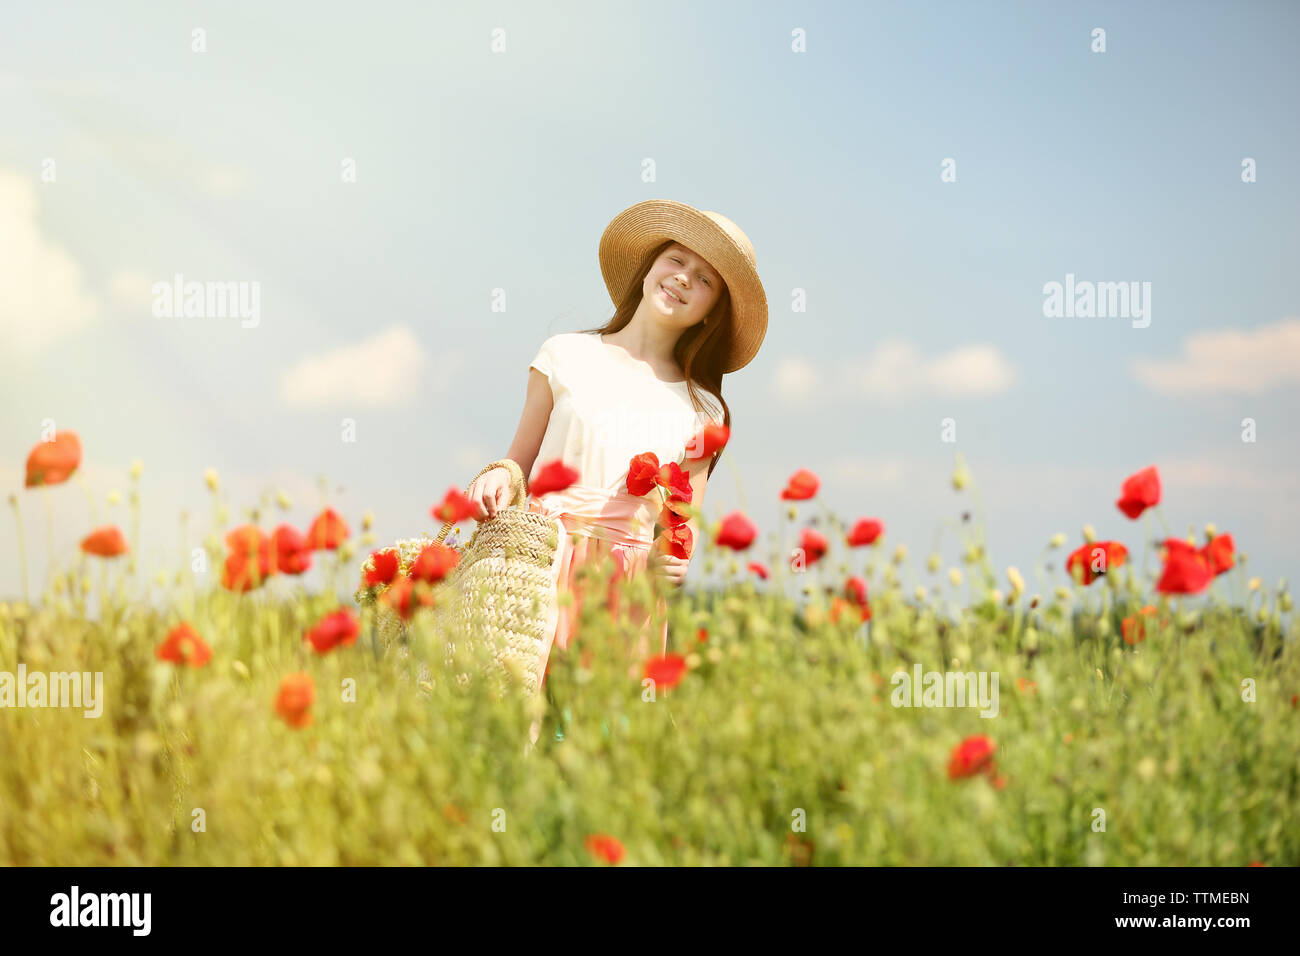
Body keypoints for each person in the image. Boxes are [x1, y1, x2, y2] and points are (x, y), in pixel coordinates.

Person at [465, 199, 768, 737]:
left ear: (711, 312)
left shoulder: (704, 408)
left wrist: (673, 562)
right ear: (651, 265)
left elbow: (681, 519)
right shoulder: (566, 355)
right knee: (515, 721)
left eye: (704, 280)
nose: (682, 279)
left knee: (596, 738)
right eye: (676, 260)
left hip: (626, 588)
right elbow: (521, 457)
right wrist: (496, 475)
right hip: (540, 561)